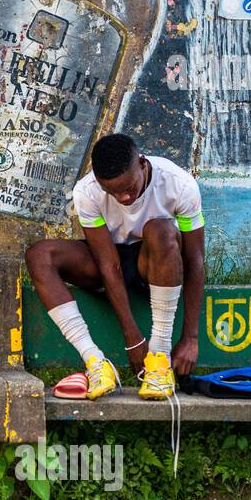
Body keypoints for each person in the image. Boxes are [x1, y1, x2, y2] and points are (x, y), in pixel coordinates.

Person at [25, 133, 205, 402]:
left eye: (129, 188)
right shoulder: (87, 191)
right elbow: (108, 264)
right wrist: (132, 337)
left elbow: (195, 260)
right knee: (39, 255)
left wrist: (190, 337)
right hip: (110, 264)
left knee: (162, 229)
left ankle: (159, 358)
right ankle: (96, 362)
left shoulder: (179, 184)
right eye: (112, 191)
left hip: (156, 265)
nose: (123, 197)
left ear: (142, 164)